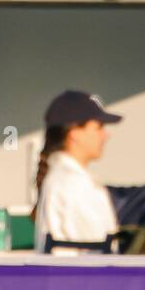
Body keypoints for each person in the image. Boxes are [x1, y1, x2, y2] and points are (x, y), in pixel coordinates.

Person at [31, 90, 123, 253]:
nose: (106, 135)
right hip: (80, 278)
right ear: (74, 134)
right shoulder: (73, 183)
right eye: (99, 127)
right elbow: (99, 254)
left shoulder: (64, 178)